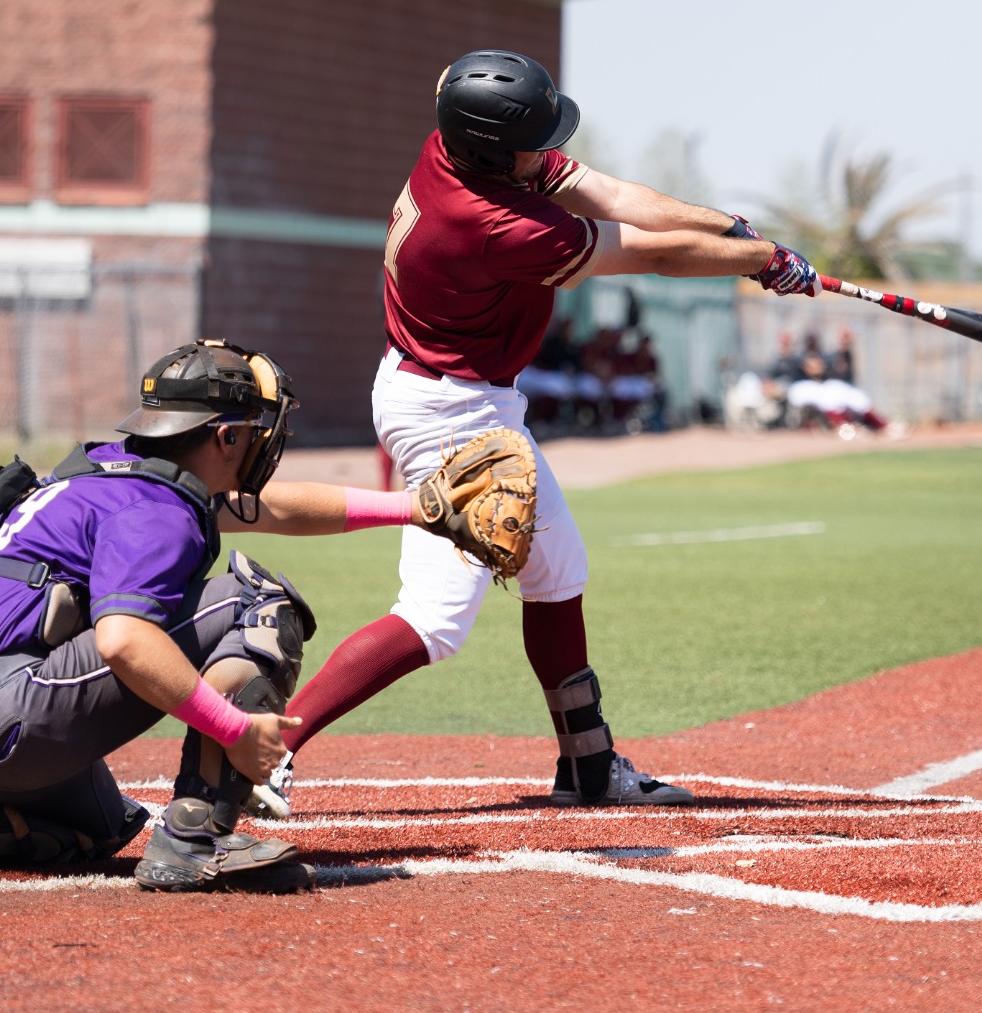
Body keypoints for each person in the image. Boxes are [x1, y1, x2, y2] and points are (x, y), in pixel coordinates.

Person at [262, 48, 818, 813]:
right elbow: (643, 251)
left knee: (558, 573)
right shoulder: (491, 221)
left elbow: (613, 192)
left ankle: (589, 765)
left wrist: (728, 227)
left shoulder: (463, 154)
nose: (547, 150)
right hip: (449, 411)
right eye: (534, 138)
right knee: (435, 617)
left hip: (461, 394)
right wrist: (759, 260)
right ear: (493, 148)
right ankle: (265, 749)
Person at [0, 339, 482, 889]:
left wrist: (417, 508)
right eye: (257, 431)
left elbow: (276, 507)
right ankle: (196, 837)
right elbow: (121, 640)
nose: (265, 444)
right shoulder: (159, 510)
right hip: (8, 717)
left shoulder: (114, 470)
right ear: (225, 436)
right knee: (260, 601)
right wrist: (233, 727)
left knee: (96, 831)